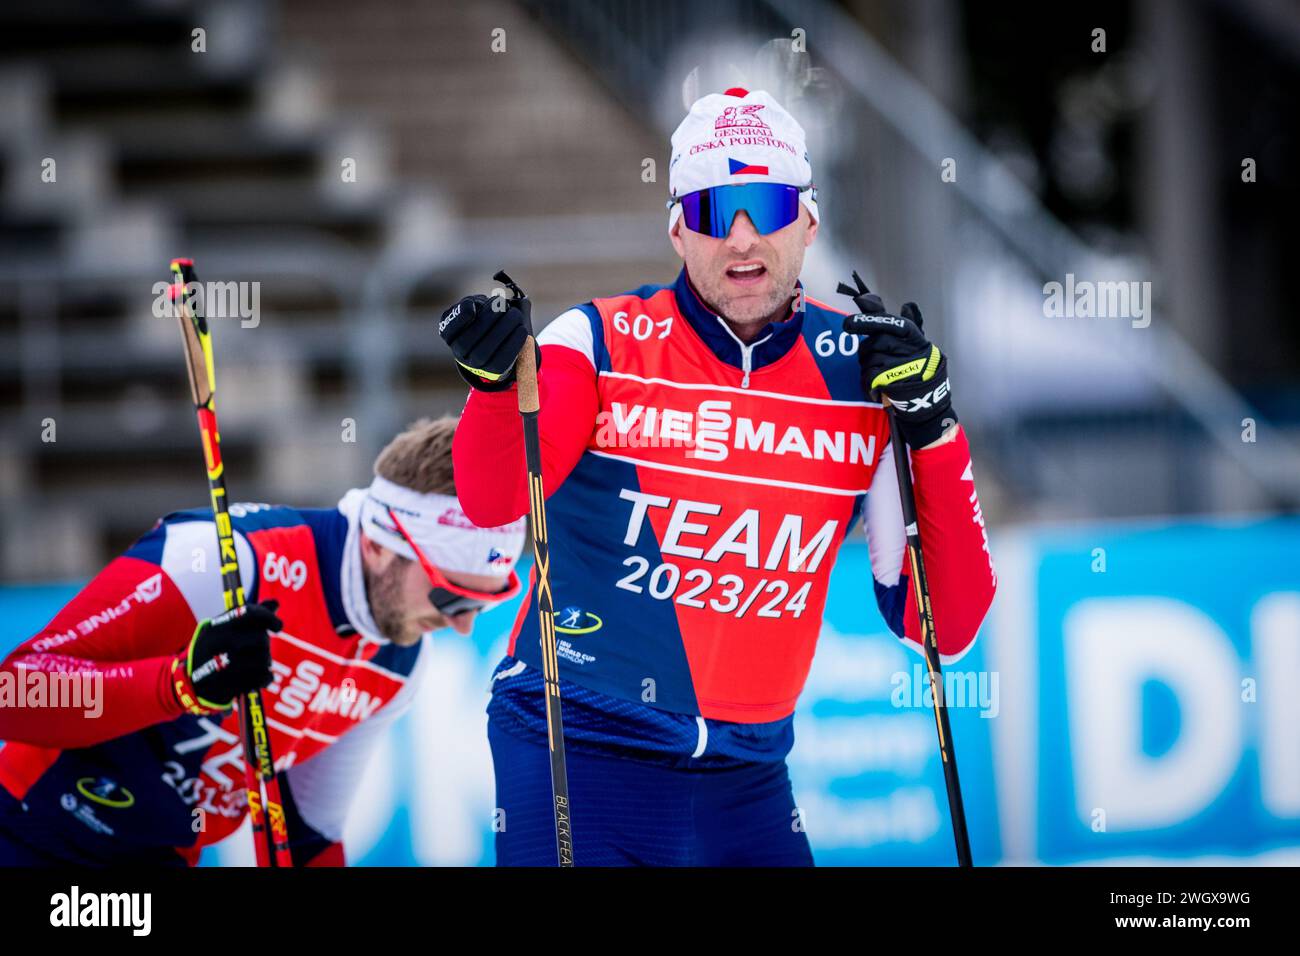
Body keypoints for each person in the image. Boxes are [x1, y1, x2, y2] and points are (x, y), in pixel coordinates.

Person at [439, 88, 998, 867]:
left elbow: (946, 621)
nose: (740, 236)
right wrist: (497, 387)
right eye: (710, 210)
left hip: (747, 772)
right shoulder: (599, 340)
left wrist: (932, 426)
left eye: (765, 204)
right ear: (677, 229)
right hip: (581, 740)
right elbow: (495, 498)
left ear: (807, 221)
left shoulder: (861, 374)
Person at [0, 416, 524, 865]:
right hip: (30, 830)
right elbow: (15, 696)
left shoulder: (400, 659)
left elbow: (309, 833)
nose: (463, 626)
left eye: (482, 605)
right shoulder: (222, 560)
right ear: (379, 545)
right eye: (452, 598)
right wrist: (179, 685)